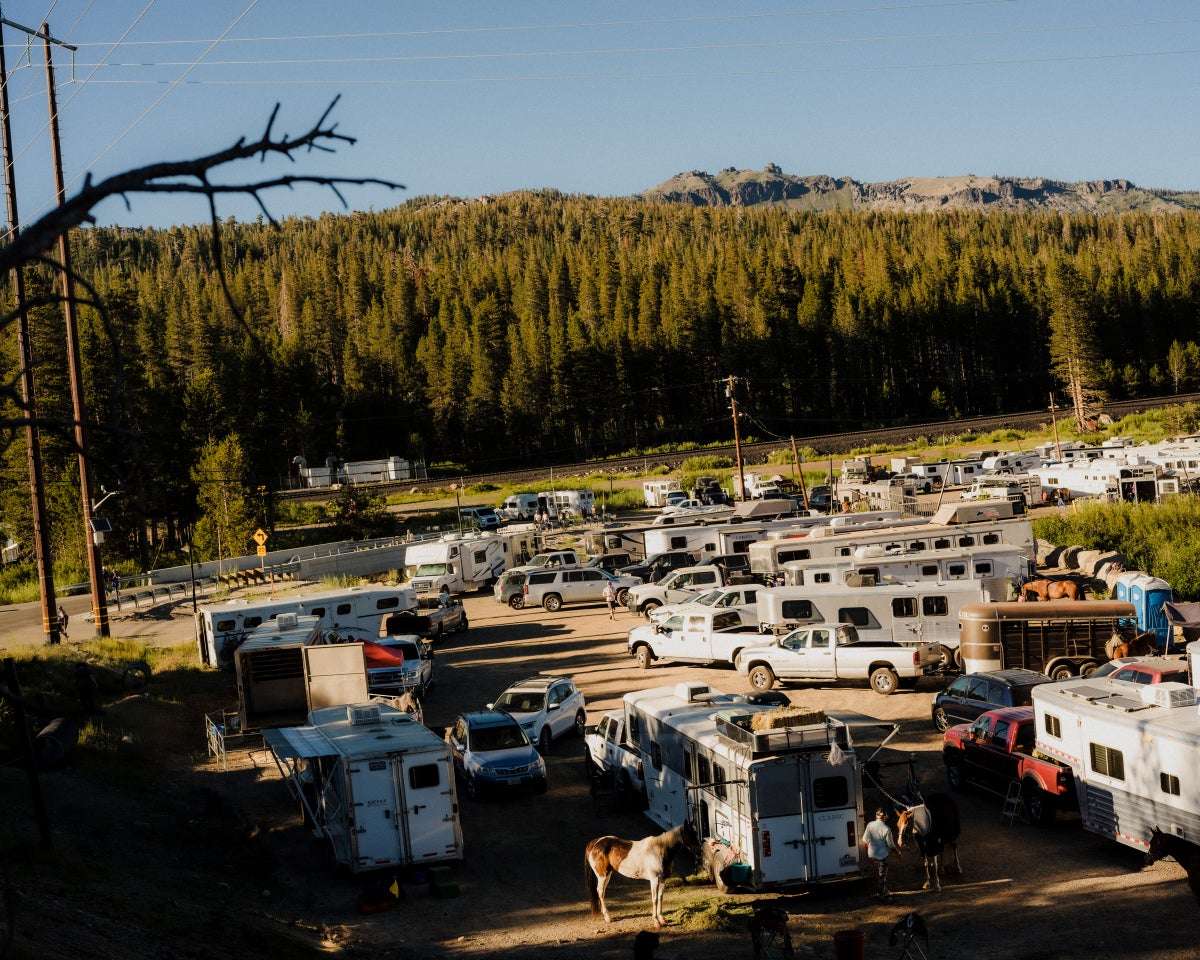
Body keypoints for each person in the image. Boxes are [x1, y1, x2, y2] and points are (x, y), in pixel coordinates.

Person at [861, 807, 900, 900]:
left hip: (872, 854)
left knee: (880, 872)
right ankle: (882, 894)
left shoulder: (870, 825)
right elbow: (891, 845)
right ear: (885, 817)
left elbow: (864, 839)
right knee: (882, 875)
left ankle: (884, 889)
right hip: (882, 855)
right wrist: (898, 852)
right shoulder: (886, 829)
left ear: (876, 815)